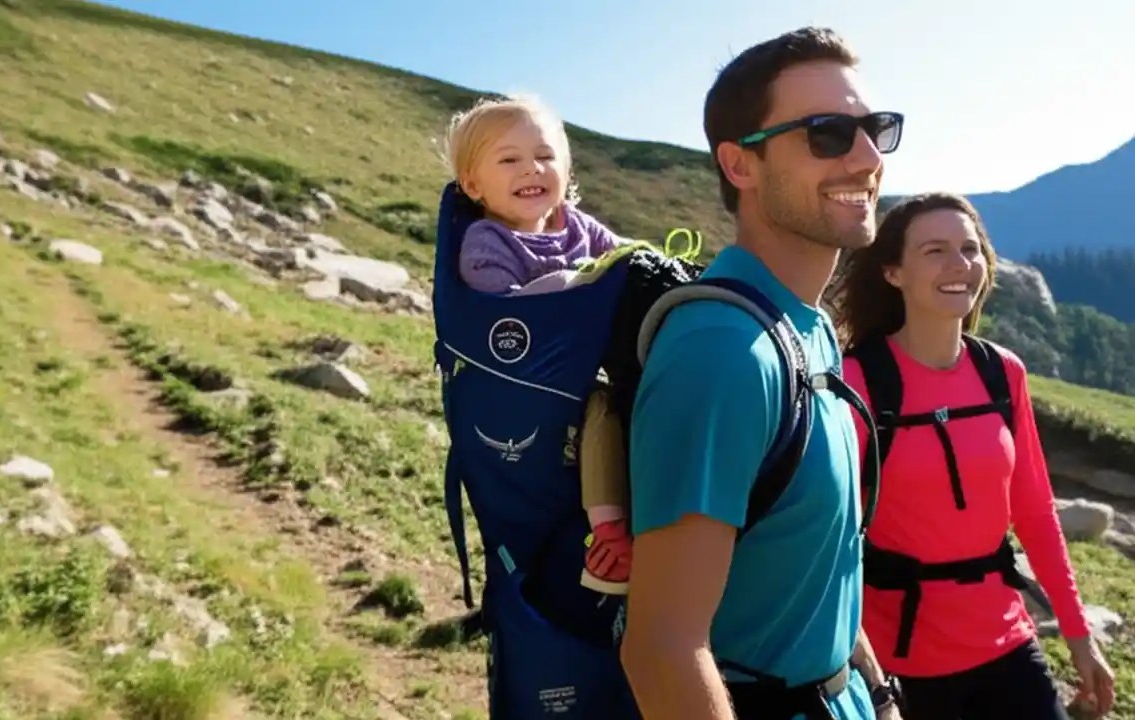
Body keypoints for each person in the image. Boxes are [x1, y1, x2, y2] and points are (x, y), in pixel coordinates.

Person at [620, 26, 905, 720]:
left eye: (877, 129)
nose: (868, 156)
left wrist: (875, 690)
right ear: (740, 166)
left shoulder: (806, 330)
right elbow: (660, 648)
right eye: (828, 133)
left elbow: (816, 569)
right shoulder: (722, 352)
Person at [835, 191, 1117, 720]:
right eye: (935, 250)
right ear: (893, 272)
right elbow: (828, 541)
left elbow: (1035, 513)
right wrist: (865, 677)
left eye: (970, 249)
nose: (959, 265)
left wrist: (1078, 635)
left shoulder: (1002, 372)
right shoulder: (858, 381)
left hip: (1007, 642)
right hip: (900, 662)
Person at [446, 93, 636, 595]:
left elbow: (626, 260)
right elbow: (503, 312)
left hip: (592, 361)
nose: (532, 168)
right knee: (602, 405)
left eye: (546, 156)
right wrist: (581, 282)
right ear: (473, 184)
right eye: (509, 159)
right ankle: (610, 536)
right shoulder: (486, 242)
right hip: (532, 389)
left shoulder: (576, 226)